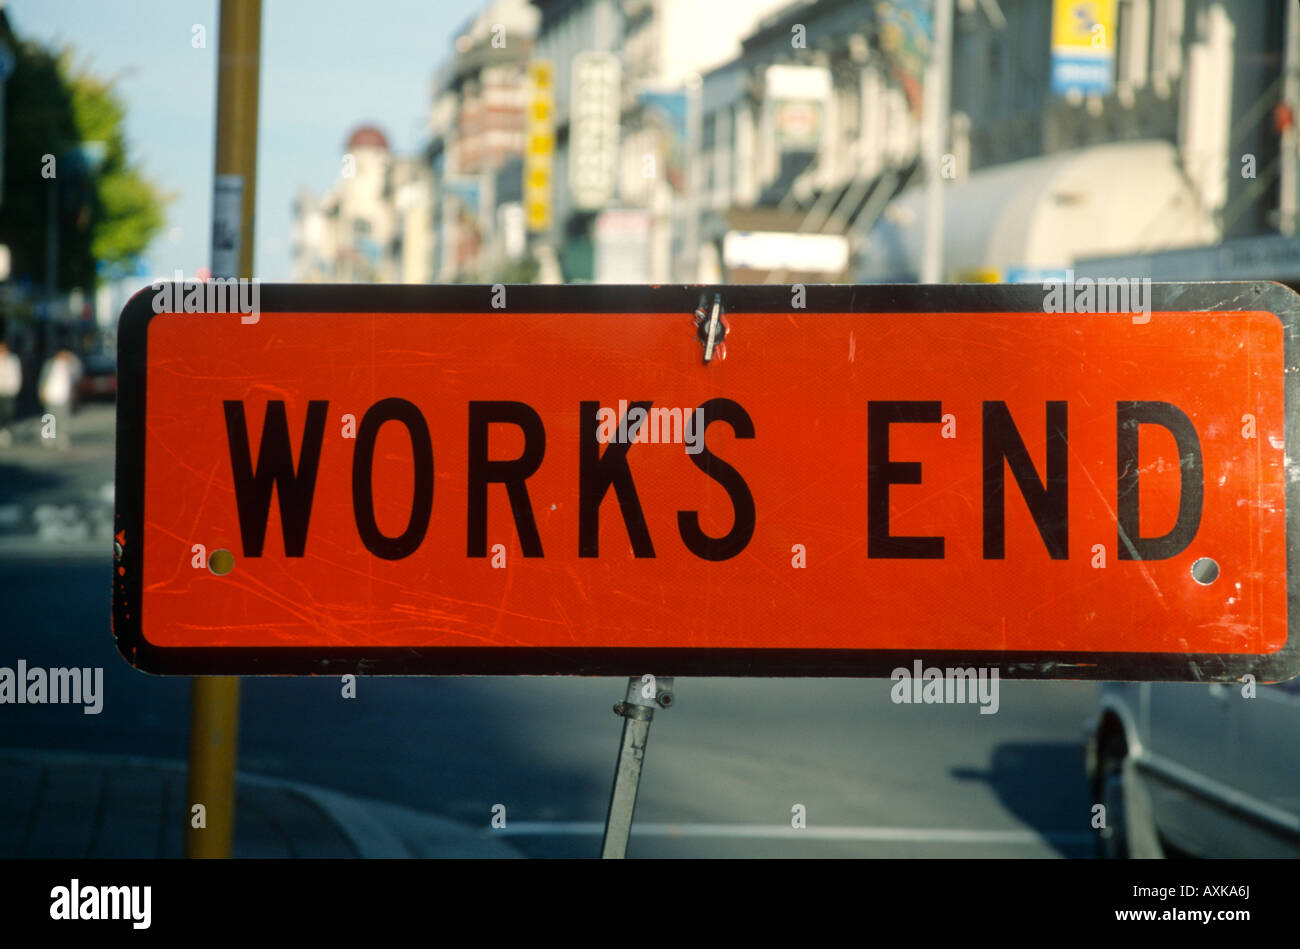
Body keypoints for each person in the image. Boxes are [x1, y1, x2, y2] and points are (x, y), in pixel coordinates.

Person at [38, 349, 81, 449]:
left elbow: (78, 373)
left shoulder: (70, 366)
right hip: (51, 394)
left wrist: (73, 359)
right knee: (49, 417)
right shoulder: (50, 364)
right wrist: (42, 391)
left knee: (63, 418)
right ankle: (48, 437)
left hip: (63, 396)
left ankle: (62, 437)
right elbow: (43, 378)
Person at [0, 340, 20, 447]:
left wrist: (15, 388)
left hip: (9, 390)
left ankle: (6, 431)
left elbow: (17, 374)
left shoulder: (13, 359)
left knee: (8, 412)